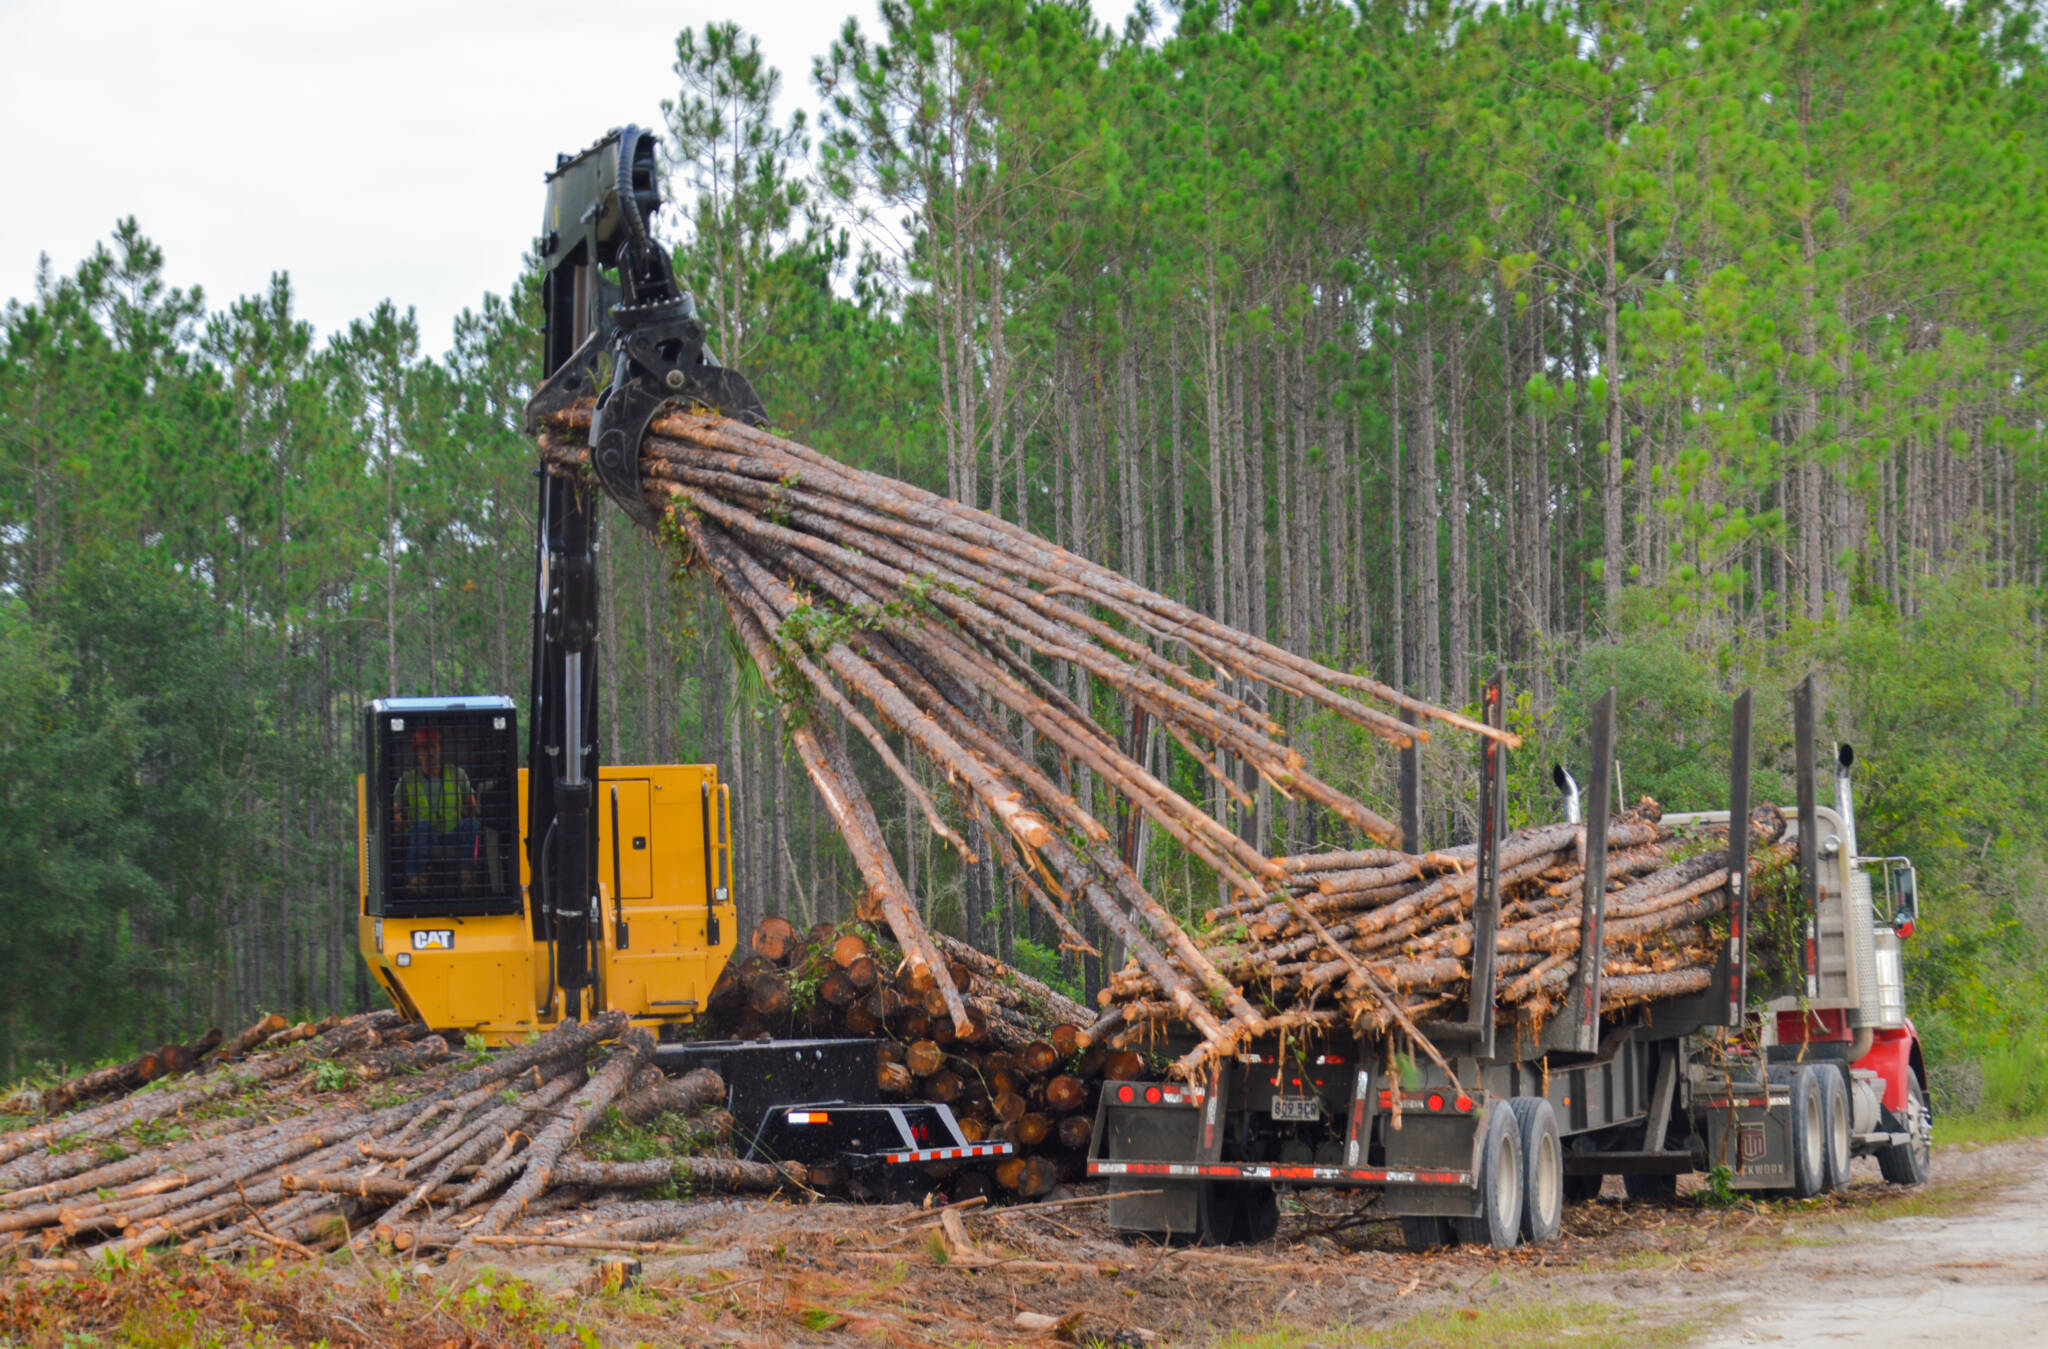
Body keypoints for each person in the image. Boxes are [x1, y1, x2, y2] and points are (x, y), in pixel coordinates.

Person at [393, 727, 481, 895]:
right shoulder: (407, 781)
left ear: (440, 748)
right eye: (425, 748)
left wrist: (471, 807)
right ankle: (417, 878)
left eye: (433, 747)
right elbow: (396, 813)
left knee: (472, 825)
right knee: (421, 828)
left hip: (453, 833)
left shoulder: (457, 774)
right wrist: (398, 820)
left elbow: (472, 806)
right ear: (417, 752)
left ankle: (467, 874)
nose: (430, 752)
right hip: (425, 835)